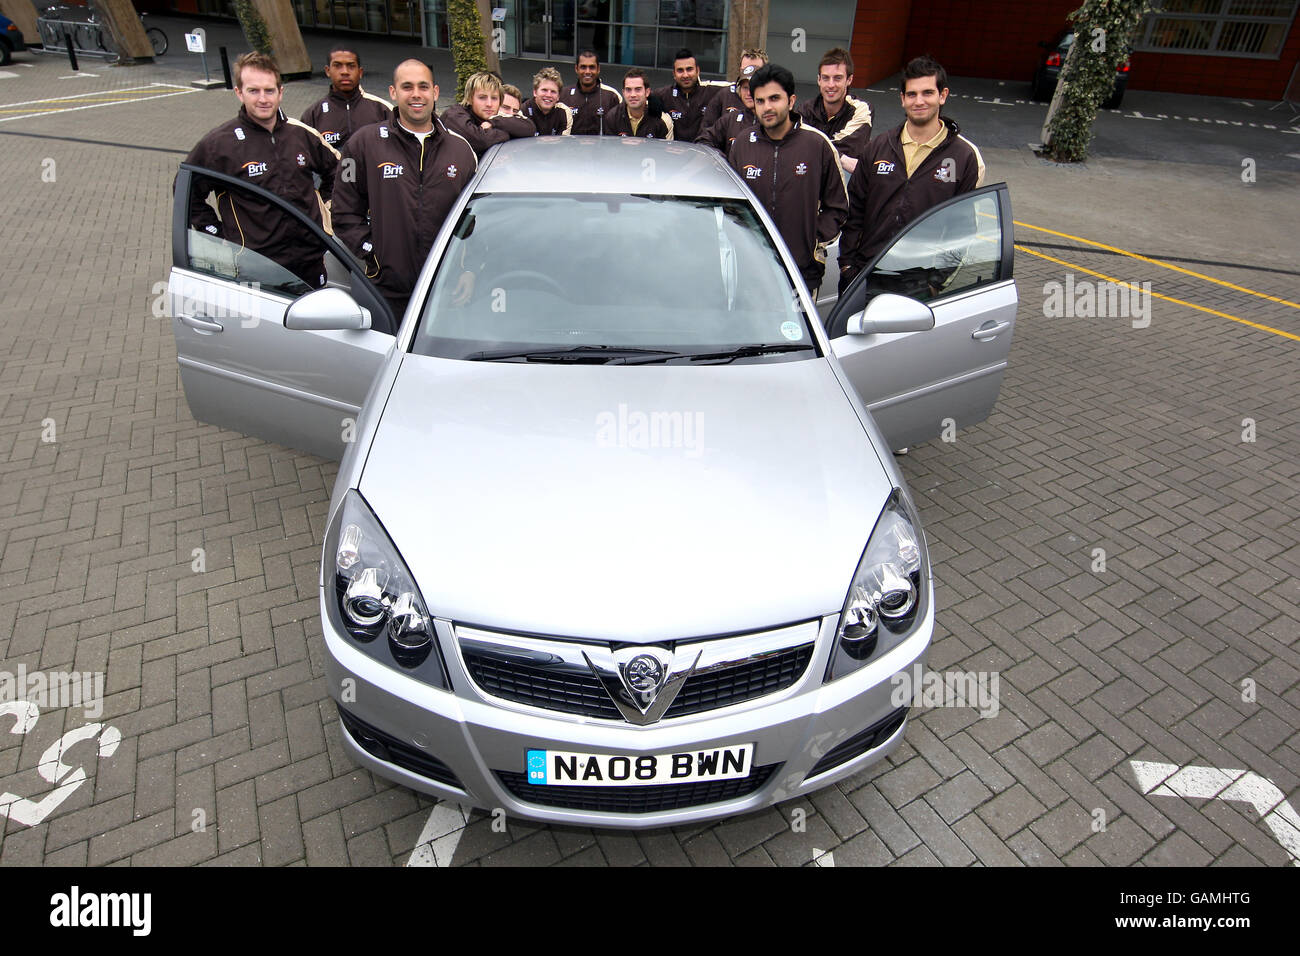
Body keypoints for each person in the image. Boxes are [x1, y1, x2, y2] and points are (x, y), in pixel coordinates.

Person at [331, 59, 477, 325]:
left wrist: (468, 270)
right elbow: (343, 213)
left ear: (435, 92)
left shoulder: (461, 150)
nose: (416, 94)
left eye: (423, 86)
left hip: (444, 289)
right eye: (407, 87)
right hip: (386, 291)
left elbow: (472, 225)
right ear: (393, 92)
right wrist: (373, 253)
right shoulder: (363, 145)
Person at [183, 51, 339, 290]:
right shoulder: (219, 144)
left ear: (281, 92)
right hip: (257, 265)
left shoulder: (301, 135)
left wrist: (327, 211)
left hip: (310, 259)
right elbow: (186, 191)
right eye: (253, 91)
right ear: (239, 93)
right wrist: (215, 233)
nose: (263, 99)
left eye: (269, 90)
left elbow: (337, 172)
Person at [837, 55, 986, 295]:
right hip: (865, 274)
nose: (919, 101)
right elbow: (854, 211)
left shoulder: (963, 157)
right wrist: (847, 265)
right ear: (902, 99)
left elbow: (963, 228)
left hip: (918, 280)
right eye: (912, 94)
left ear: (943, 95)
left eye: (927, 93)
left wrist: (935, 281)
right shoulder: (878, 147)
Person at [726, 64, 847, 296]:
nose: (767, 107)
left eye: (774, 99)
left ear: (791, 101)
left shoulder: (817, 145)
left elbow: (838, 207)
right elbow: (731, 207)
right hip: (751, 271)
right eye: (760, 101)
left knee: (798, 332)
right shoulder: (741, 144)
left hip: (801, 272)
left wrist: (813, 239)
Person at [300, 45, 392, 150]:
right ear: (327, 71)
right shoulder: (313, 115)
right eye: (337, 66)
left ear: (360, 72)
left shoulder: (383, 110)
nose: (345, 72)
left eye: (351, 66)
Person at [802, 48, 873, 174]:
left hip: (844, 179)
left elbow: (850, 149)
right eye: (825, 78)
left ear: (849, 80)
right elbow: (795, 146)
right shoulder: (806, 109)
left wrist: (811, 145)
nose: (830, 85)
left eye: (837, 78)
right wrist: (842, 157)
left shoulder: (862, 109)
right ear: (819, 80)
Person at [439, 71, 535, 157]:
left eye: (494, 98)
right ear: (470, 98)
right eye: (482, 97)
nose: (489, 104)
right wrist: (508, 133)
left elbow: (529, 128)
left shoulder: (492, 118)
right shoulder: (454, 116)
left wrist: (494, 123)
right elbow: (481, 141)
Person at [653, 48, 718, 143]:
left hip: (701, 153)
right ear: (674, 74)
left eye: (689, 69)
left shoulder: (712, 92)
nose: (685, 75)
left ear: (698, 71)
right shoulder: (662, 95)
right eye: (680, 70)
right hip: (673, 153)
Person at [695, 64, 758, 154]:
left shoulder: (771, 121)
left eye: (753, 87)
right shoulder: (730, 119)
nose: (748, 93)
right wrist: (722, 160)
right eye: (745, 88)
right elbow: (703, 141)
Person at [560, 49, 622, 135]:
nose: (587, 72)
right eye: (583, 67)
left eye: (592, 67)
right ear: (576, 68)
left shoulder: (612, 96)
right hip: (571, 147)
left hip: (603, 147)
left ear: (598, 69)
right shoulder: (563, 95)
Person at [701, 48, 768, 127]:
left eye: (755, 71)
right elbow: (706, 130)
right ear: (740, 70)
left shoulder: (771, 102)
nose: (749, 73)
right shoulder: (725, 95)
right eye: (745, 70)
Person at [603, 69, 673, 139]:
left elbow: (665, 149)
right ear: (623, 93)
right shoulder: (612, 117)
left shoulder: (663, 119)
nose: (633, 95)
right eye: (628, 90)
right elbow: (609, 148)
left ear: (647, 92)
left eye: (638, 89)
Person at [522, 67, 573, 135]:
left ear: (558, 96)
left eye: (553, 91)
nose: (548, 95)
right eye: (544, 90)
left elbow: (563, 143)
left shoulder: (564, 112)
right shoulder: (522, 111)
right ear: (535, 92)